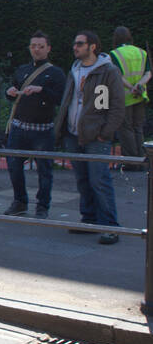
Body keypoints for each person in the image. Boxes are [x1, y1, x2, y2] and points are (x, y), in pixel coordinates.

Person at [54, 31, 124, 244]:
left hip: (96, 137)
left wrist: (106, 133)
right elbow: (68, 100)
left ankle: (110, 226)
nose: (75, 47)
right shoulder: (74, 69)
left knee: (99, 180)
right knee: (83, 180)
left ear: (92, 46)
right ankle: (90, 219)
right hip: (74, 134)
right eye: (75, 43)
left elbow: (117, 106)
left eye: (80, 44)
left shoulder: (108, 71)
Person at [3, 31, 65, 217]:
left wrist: (41, 90)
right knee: (14, 166)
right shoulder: (22, 70)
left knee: (45, 170)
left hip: (42, 130)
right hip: (19, 127)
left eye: (40, 46)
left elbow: (60, 98)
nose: (36, 50)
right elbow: (11, 91)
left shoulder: (56, 73)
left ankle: (42, 206)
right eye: (33, 46)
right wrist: (10, 92)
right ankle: (20, 201)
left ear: (48, 49)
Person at [109, 26, 150, 160]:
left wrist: (130, 87)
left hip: (124, 98)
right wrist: (138, 85)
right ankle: (143, 159)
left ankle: (131, 161)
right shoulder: (142, 52)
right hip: (140, 95)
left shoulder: (114, 54)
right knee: (138, 128)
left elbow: (117, 76)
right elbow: (148, 73)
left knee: (126, 130)